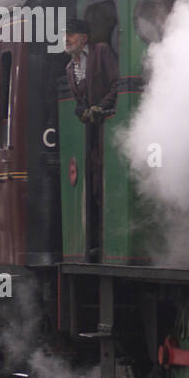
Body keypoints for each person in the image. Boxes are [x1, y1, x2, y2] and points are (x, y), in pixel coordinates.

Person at [64, 20, 119, 260]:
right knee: (94, 180)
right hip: (91, 129)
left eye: (71, 35)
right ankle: (98, 239)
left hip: (110, 121)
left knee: (105, 177)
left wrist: (102, 107)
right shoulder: (69, 69)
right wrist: (84, 111)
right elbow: (78, 101)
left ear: (84, 38)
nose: (66, 39)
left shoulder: (102, 52)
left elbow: (117, 83)